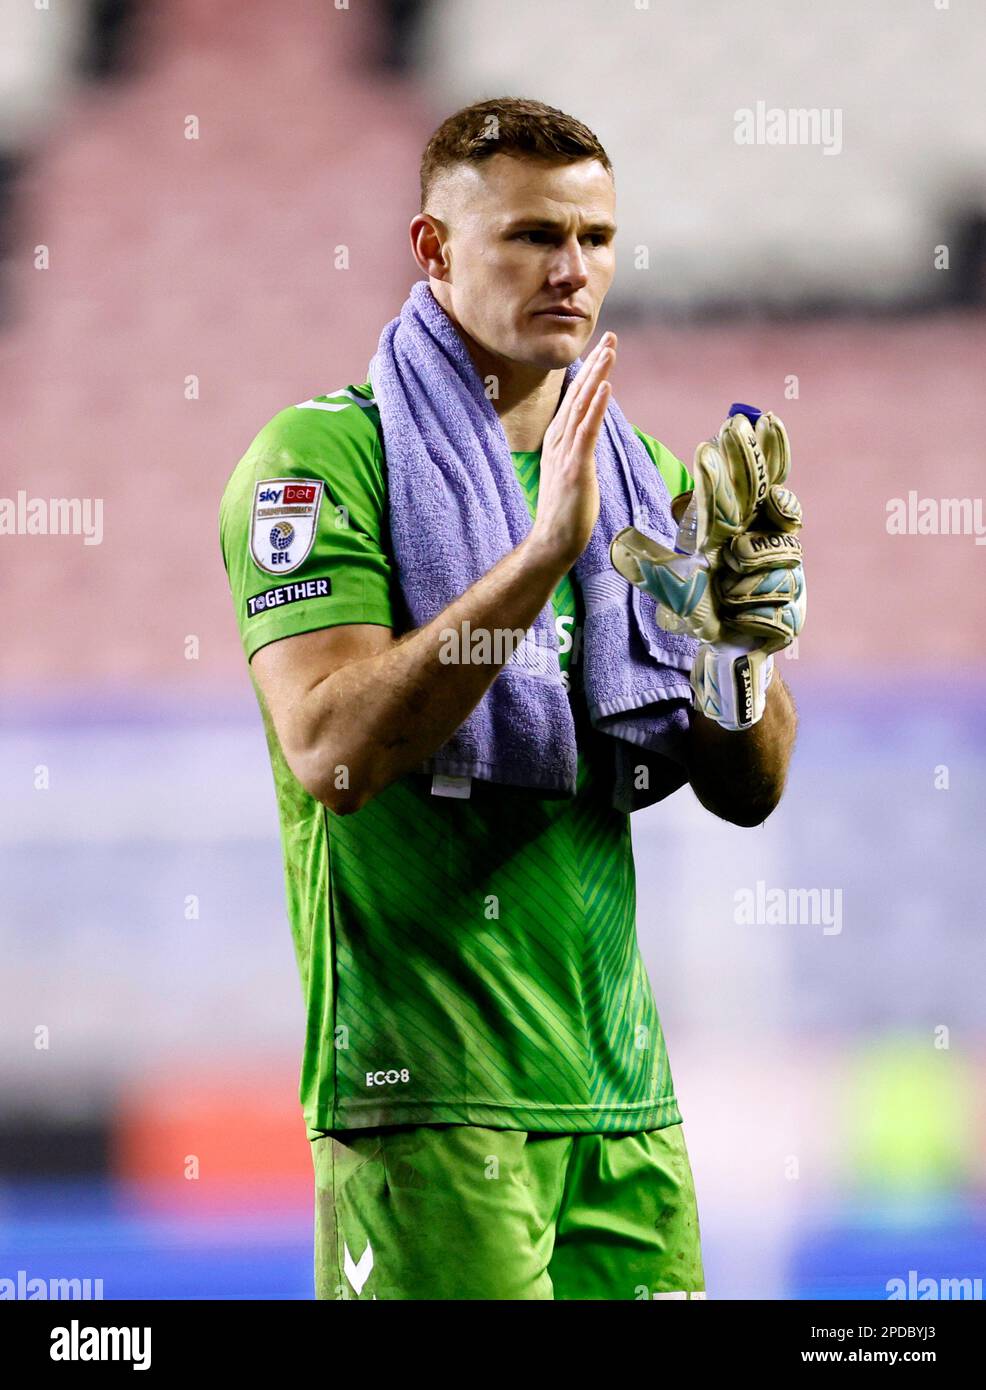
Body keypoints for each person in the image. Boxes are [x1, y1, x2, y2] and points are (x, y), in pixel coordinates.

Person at [219, 96, 799, 1300]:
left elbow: (748, 794)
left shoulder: (650, 486)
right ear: (432, 249)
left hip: (619, 1098)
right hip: (426, 1097)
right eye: (532, 235)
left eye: (594, 238)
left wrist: (732, 653)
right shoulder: (323, 460)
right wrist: (537, 560)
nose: (571, 270)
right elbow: (331, 750)